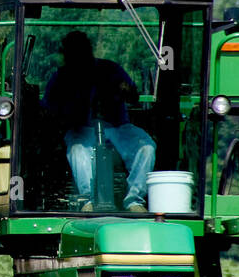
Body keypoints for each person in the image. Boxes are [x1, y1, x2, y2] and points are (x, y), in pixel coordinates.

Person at [40, 30, 155, 212]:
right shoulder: (61, 77)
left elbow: (134, 97)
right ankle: (87, 201)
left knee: (146, 147)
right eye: (73, 50)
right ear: (67, 52)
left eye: (81, 49)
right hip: (83, 129)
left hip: (119, 128)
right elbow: (48, 109)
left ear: (88, 49)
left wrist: (126, 90)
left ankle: (134, 200)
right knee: (77, 150)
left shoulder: (111, 69)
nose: (77, 54)